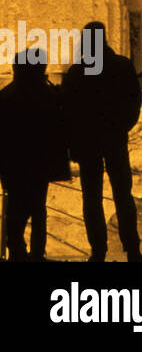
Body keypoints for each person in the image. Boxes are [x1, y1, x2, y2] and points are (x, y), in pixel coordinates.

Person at [61, 22, 142, 262]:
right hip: (114, 139)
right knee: (123, 195)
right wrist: (120, 127)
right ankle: (132, 249)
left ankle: (98, 251)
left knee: (91, 199)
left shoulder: (77, 73)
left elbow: (67, 111)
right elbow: (134, 102)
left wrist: (74, 140)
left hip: (88, 143)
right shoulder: (121, 66)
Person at [0, 53, 71, 261]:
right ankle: (37, 252)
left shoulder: (6, 95)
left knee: (14, 207)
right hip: (40, 162)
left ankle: (16, 249)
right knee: (38, 208)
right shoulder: (47, 95)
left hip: (13, 163)